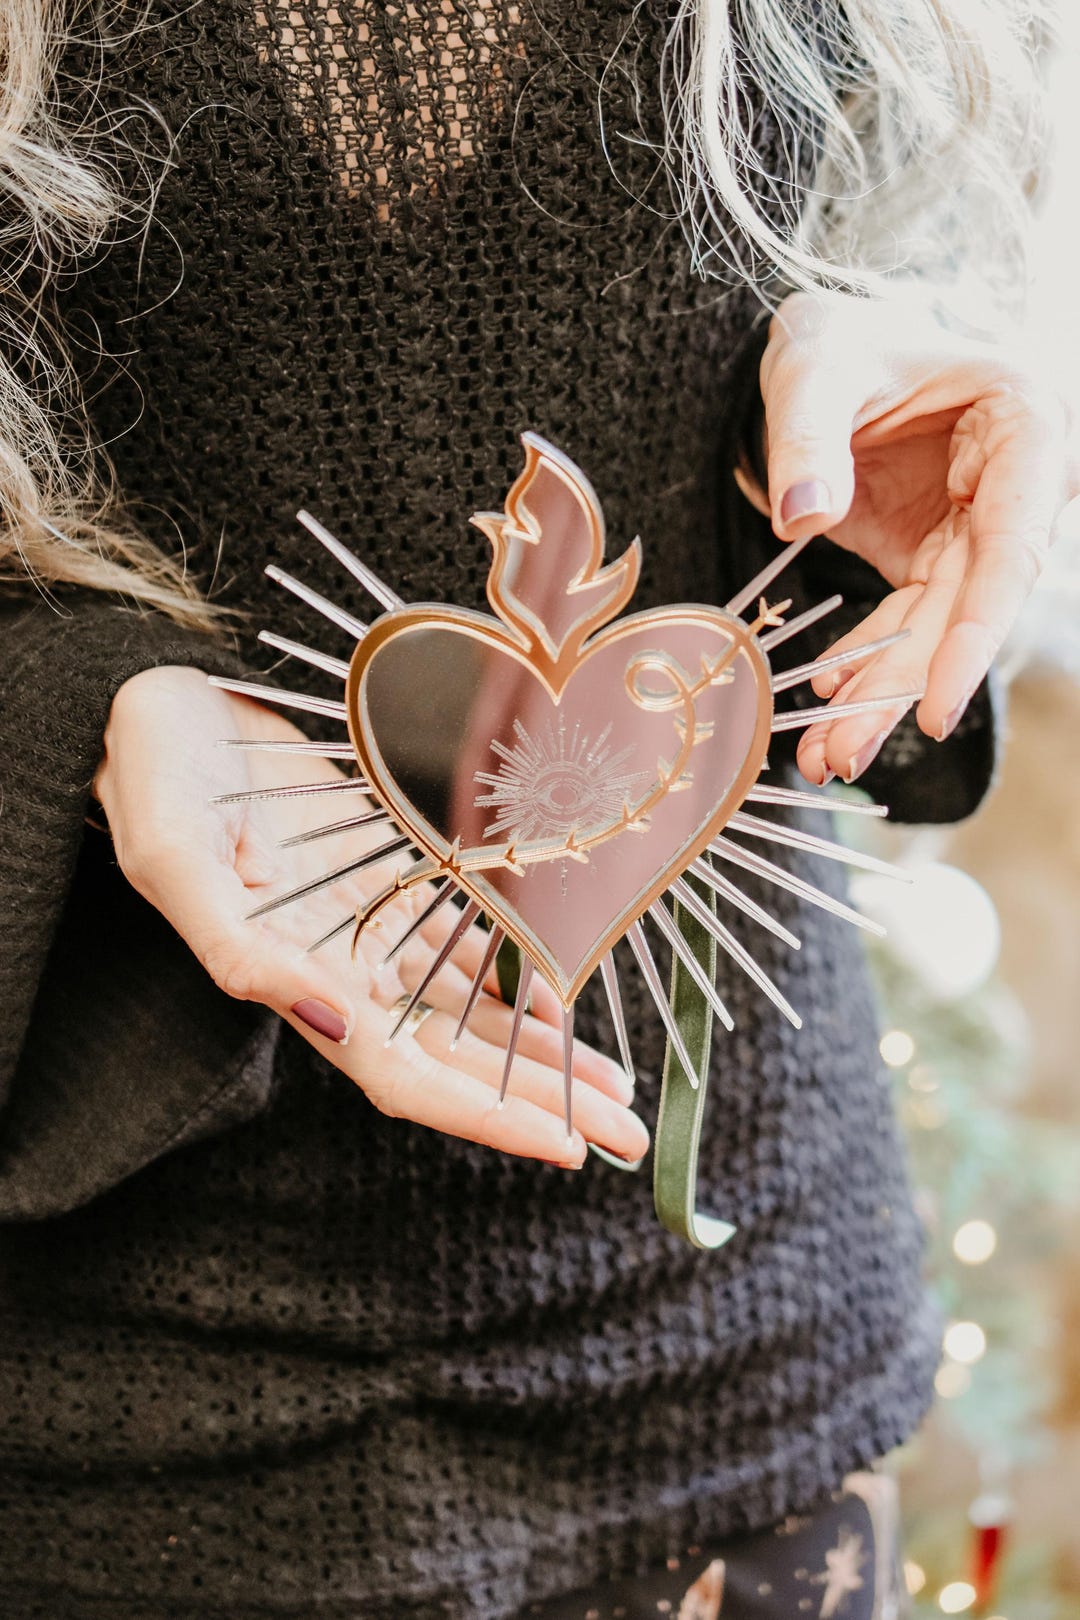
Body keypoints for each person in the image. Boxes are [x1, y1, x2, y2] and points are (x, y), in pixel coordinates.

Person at [0, 1, 1074, 1616]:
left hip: (733, 1332)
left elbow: (940, 237)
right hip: (128, 1387)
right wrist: (89, 704)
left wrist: (890, 353)